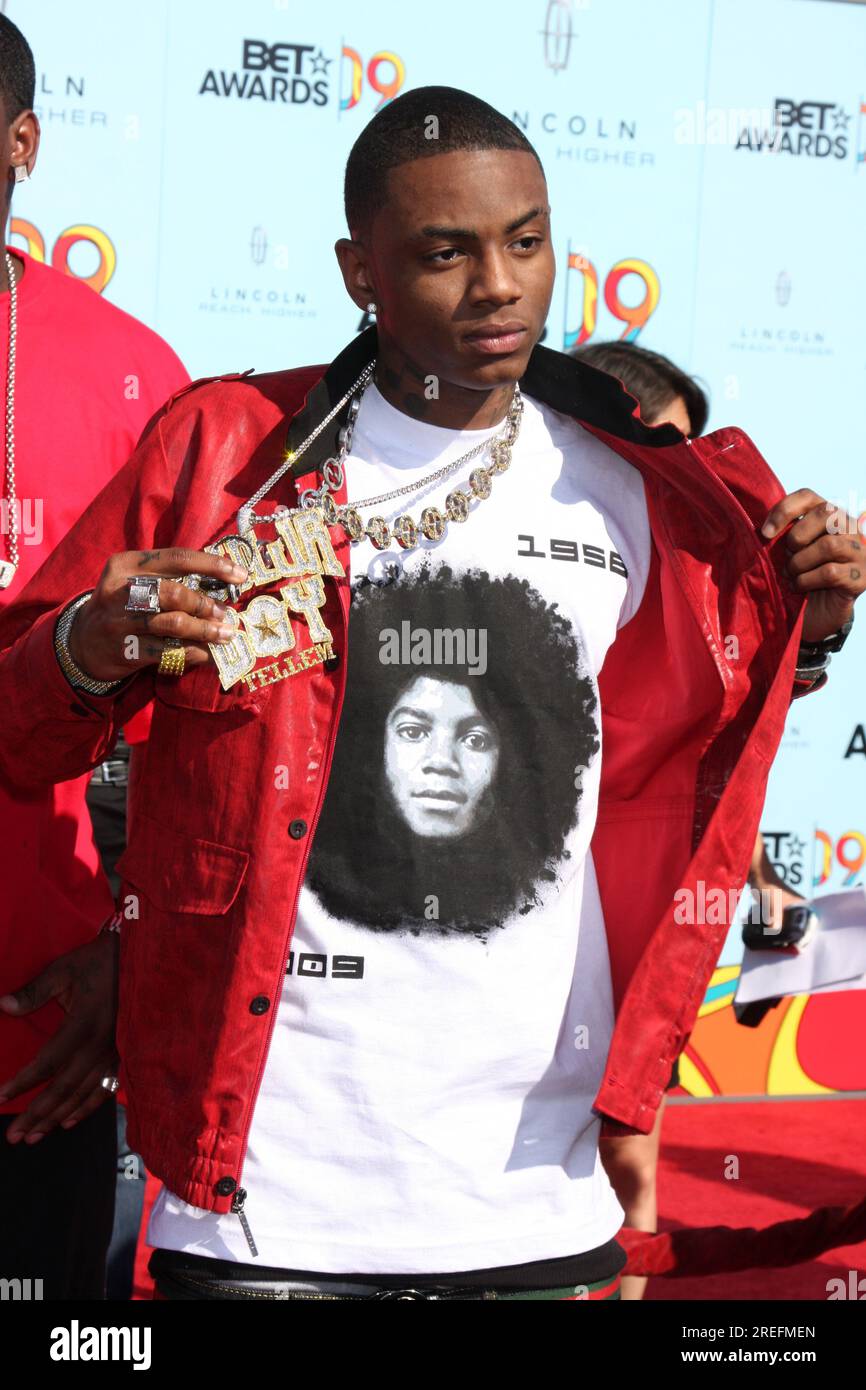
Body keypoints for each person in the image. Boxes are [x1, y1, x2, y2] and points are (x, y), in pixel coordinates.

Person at [0, 86, 860, 1303]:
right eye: (444, 252)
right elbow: (19, 724)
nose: (499, 285)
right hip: (266, 1204)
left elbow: (704, 727)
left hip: (530, 1195)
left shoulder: (637, 484)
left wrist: (813, 620)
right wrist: (92, 644)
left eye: (525, 239)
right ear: (361, 270)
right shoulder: (225, 453)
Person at [0, 14, 188, 1300]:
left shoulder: (135, 383)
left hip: (37, 1034)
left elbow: (201, 730)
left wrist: (130, 948)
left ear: (21, 146)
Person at [571, 338, 809, 1299]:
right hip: (521, 910)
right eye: (667, 447)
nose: (689, 477)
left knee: (630, 1151)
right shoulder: (535, 548)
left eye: (692, 450)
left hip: (638, 914)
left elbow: (700, 757)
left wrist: (751, 875)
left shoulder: (686, 578)